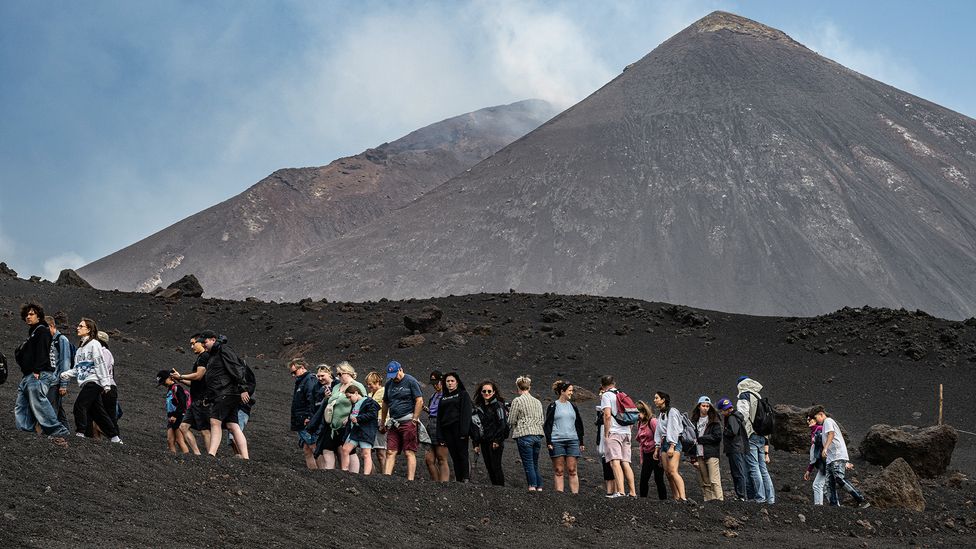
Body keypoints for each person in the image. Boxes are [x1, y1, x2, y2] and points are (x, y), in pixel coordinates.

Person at [60, 318, 120, 443]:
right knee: (97, 412)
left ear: (89, 329)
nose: (78, 328)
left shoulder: (95, 344)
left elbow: (100, 363)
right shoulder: (80, 349)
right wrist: (66, 374)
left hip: (94, 381)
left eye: (81, 326)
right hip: (87, 382)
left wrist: (105, 384)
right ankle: (115, 437)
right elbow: (78, 368)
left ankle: (80, 433)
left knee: (79, 405)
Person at [13, 302, 69, 438]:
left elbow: (42, 352)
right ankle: (25, 432)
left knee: (38, 401)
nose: (28, 317)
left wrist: (37, 371)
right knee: (22, 405)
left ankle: (58, 430)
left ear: (39, 316)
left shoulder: (42, 330)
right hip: (28, 375)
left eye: (31, 314)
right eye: (26, 314)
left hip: (39, 374)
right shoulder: (33, 334)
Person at [200, 330, 249, 459]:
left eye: (205, 342)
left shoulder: (223, 349)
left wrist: (243, 387)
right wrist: (208, 397)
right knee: (232, 425)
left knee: (215, 421)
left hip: (225, 392)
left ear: (213, 339)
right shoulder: (214, 353)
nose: (203, 345)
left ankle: (211, 453)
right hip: (225, 393)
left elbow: (235, 367)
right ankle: (245, 457)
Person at [810, 406, 869, 508]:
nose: (815, 420)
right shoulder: (824, 425)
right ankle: (834, 506)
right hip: (831, 458)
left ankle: (860, 499)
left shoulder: (828, 421)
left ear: (821, 414)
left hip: (837, 455)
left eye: (816, 417)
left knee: (839, 478)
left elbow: (831, 434)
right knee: (829, 484)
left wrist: (825, 448)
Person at [380, 361, 424, 480]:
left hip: (408, 420)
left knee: (409, 451)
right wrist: (382, 421)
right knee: (390, 451)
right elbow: (385, 402)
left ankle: (410, 480)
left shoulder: (410, 381)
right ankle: (386, 478)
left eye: (395, 374)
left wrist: (415, 419)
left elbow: (419, 400)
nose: (394, 377)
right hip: (394, 422)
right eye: (391, 376)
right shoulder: (389, 384)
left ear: (401, 369)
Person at [736, 376, 774, 503]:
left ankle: (760, 497)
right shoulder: (758, 396)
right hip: (761, 436)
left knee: (753, 467)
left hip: (751, 435)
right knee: (763, 468)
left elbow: (743, 414)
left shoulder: (744, 396)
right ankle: (770, 498)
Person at [543, 380, 585, 494]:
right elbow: (548, 425)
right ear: (562, 391)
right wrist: (549, 441)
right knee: (559, 470)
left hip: (573, 440)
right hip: (557, 441)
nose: (571, 393)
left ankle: (575, 495)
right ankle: (559, 496)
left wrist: (581, 441)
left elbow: (578, 424)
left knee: (572, 470)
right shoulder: (553, 406)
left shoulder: (573, 406)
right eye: (570, 390)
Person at [600, 375, 637, 498]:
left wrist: (606, 433)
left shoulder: (606, 395)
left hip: (614, 432)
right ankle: (632, 492)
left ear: (603, 385)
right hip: (626, 432)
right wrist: (629, 431)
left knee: (615, 462)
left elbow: (607, 415)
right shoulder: (622, 394)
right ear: (614, 383)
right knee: (626, 462)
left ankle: (620, 492)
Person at [171, 334, 209, 455]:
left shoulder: (204, 357)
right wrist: (180, 379)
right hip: (195, 399)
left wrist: (181, 376)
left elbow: (198, 376)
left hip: (202, 399)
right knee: (183, 427)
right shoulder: (200, 358)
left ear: (202, 342)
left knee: (205, 430)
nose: (192, 346)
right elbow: (194, 383)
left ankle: (211, 456)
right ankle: (197, 454)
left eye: (194, 343)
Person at [508, 375, 545, 492]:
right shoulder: (537, 402)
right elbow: (542, 419)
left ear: (518, 387)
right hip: (537, 434)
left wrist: (516, 426)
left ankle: (532, 486)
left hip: (524, 434)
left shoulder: (517, 400)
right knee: (534, 463)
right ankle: (539, 487)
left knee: (528, 463)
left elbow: (511, 420)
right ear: (529, 387)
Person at [328, 361, 366, 473]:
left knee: (350, 450)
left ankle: (354, 474)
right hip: (334, 425)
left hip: (349, 423)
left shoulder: (357, 386)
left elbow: (364, 403)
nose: (338, 376)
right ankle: (344, 472)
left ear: (347, 373)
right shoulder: (336, 387)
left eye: (340, 374)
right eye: (337, 374)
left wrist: (351, 417)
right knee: (340, 449)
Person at [436, 372, 473, 482]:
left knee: (462, 454)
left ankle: (466, 478)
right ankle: (459, 479)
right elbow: (439, 418)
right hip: (447, 430)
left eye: (452, 381)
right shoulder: (443, 398)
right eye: (448, 381)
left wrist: (464, 432)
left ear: (457, 382)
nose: (450, 383)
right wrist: (440, 436)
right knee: (454, 456)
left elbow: (466, 414)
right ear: (445, 383)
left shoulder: (463, 394)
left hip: (459, 429)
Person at [472, 379, 508, 486]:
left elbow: (503, 424)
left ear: (494, 392)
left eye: (489, 391)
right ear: (481, 392)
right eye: (484, 391)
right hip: (484, 441)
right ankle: (495, 488)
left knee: (495, 466)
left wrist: (497, 440)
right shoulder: (479, 407)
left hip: (495, 441)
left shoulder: (499, 406)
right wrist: (476, 443)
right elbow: (476, 426)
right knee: (489, 466)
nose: (487, 393)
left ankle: (501, 489)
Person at [652, 391, 685, 500]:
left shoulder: (672, 412)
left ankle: (683, 497)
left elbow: (673, 429)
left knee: (673, 471)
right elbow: (658, 431)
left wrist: (672, 445)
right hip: (664, 443)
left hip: (673, 443)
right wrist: (657, 448)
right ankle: (676, 497)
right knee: (667, 473)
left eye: (657, 398)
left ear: (663, 400)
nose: (655, 400)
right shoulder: (661, 414)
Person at [340, 385, 380, 475]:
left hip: (366, 430)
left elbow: (373, 414)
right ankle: (344, 472)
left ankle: (366, 475)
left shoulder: (369, 401)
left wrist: (359, 418)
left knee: (366, 453)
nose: (349, 399)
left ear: (356, 393)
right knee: (345, 449)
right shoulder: (354, 404)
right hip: (355, 430)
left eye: (350, 397)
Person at [289, 359, 321, 469]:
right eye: (292, 373)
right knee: (307, 449)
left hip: (305, 420)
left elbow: (311, 400)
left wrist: (309, 417)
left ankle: (325, 473)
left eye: (295, 372)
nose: (293, 375)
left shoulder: (309, 380)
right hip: (302, 419)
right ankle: (315, 472)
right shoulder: (302, 381)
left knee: (313, 446)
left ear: (302, 367)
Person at [690, 396, 723, 501]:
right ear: (699, 406)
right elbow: (691, 439)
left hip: (711, 453)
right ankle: (708, 502)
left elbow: (717, 437)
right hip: (699, 454)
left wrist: (701, 439)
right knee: (704, 481)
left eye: (707, 406)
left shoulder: (714, 420)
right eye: (703, 406)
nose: (705, 408)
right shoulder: (694, 421)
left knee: (714, 480)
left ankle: (719, 500)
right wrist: (693, 458)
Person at [717, 397, 749, 501]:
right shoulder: (735, 416)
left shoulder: (732, 417)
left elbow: (733, 431)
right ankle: (741, 495)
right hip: (737, 448)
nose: (722, 413)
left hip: (735, 448)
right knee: (738, 472)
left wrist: (725, 431)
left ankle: (742, 496)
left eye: (722, 411)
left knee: (738, 472)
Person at [45, 315, 72, 432]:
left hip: (56, 381)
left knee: (51, 409)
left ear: (52, 326)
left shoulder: (62, 339)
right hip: (49, 381)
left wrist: (63, 385)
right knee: (59, 410)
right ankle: (67, 434)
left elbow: (65, 362)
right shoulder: (48, 339)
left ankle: (53, 434)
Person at [636, 400, 666, 499]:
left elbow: (660, 437)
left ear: (644, 412)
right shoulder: (640, 423)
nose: (637, 416)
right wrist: (642, 458)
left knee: (658, 478)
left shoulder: (652, 421)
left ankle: (663, 500)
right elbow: (641, 442)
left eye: (638, 413)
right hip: (646, 454)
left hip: (656, 453)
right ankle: (643, 500)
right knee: (644, 478)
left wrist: (660, 455)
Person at [92, 331, 119, 438]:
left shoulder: (105, 352)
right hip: (103, 386)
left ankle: (113, 437)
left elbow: (104, 370)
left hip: (106, 387)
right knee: (97, 413)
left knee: (109, 416)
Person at [423, 371, 449, 482]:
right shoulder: (433, 395)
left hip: (441, 426)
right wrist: (427, 410)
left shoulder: (447, 395)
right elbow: (433, 411)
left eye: (436, 382)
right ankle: (436, 482)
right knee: (429, 459)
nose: (435, 385)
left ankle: (444, 484)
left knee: (441, 458)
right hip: (431, 426)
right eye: (433, 383)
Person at [157, 370, 190, 454]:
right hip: (171, 417)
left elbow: (182, 404)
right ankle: (173, 457)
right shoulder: (170, 389)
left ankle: (187, 459)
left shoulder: (177, 388)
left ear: (169, 378)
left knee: (179, 440)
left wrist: (175, 416)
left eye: (164, 381)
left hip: (178, 416)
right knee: (170, 440)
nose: (163, 384)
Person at [803, 412, 830, 505]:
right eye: (807, 419)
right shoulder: (814, 432)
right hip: (825, 462)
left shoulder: (820, 429)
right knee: (825, 486)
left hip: (826, 462)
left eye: (810, 419)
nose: (808, 421)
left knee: (818, 485)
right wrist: (809, 470)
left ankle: (819, 506)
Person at [364, 370, 387, 473]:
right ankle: (374, 475)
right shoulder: (369, 394)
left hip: (380, 423)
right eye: (368, 385)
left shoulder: (384, 392)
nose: (369, 386)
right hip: (370, 425)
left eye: (371, 384)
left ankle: (386, 475)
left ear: (378, 382)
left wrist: (384, 422)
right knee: (367, 452)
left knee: (381, 452)